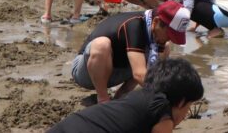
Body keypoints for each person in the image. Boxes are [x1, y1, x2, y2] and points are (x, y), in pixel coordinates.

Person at [70, 1, 190, 102]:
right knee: (101, 45)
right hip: (86, 72)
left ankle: (122, 94)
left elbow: (147, 73)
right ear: (156, 22)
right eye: (169, 34)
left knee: (165, 48)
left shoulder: (152, 30)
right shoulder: (134, 24)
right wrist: (169, 96)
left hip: (115, 72)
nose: (169, 39)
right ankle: (103, 99)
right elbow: (139, 74)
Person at [51, 56, 203, 133]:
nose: (184, 116)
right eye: (188, 107)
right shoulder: (163, 111)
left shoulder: (139, 97)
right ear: (181, 102)